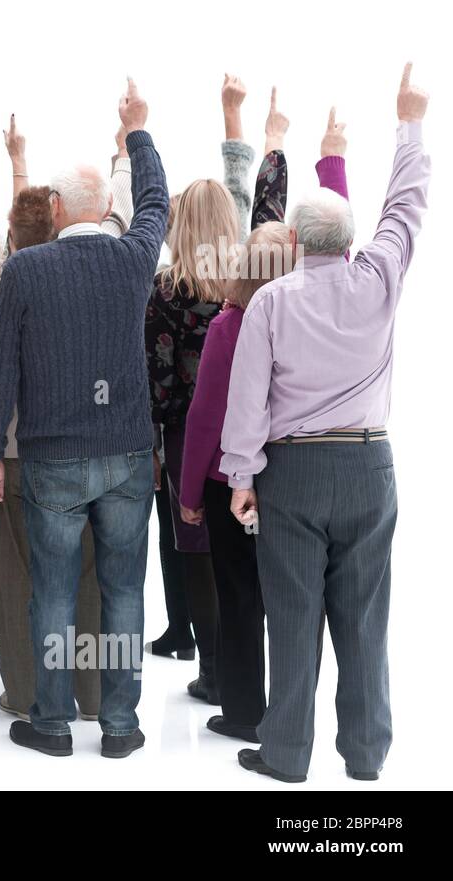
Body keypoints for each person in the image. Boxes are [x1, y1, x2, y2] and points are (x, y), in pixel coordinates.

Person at [224, 65, 429, 783]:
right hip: (371, 469)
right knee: (366, 624)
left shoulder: (271, 303)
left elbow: (246, 402)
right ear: (346, 241)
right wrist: (411, 123)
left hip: (294, 474)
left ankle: (285, 755)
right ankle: (367, 755)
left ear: (296, 242)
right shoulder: (377, 278)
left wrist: (241, 476)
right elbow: (404, 208)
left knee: (293, 617)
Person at [0, 79, 167, 760]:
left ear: (53, 209)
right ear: (106, 207)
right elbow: (157, 205)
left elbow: (0, 370)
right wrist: (137, 133)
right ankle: (120, 725)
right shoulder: (135, 256)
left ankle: (51, 722)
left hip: (52, 457)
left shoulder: (24, 272)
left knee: (50, 593)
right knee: (122, 590)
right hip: (125, 455)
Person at [178, 105, 351, 743]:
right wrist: (331, 162)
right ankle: (293, 714)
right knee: (295, 602)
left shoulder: (231, 327)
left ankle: (246, 711)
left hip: (233, 485)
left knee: (239, 595)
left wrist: (192, 496)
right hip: (296, 479)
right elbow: (343, 239)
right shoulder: (313, 314)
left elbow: (203, 422)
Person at [145, 75, 272, 705]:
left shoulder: (167, 291)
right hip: (251, 432)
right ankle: (248, 673)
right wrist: (240, 119)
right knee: (245, 550)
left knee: (193, 544)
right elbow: (249, 193)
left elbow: (160, 384)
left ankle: (214, 668)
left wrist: (156, 446)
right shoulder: (250, 278)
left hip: (186, 436)